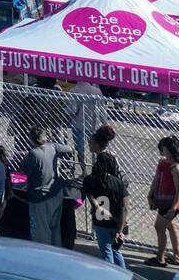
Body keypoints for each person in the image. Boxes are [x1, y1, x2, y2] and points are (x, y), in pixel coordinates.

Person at [83, 125, 129, 267]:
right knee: (115, 250)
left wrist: (95, 205)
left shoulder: (98, 173)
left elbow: (89, 187)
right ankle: (123, 274)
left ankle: (109, 274)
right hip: (116, 216)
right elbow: (125, 206)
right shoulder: (118, 183)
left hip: (103, 216)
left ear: (97, 144)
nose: (89, 145)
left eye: (90, 143)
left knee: (106, 251)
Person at [19, 127, 73, 246]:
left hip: (40, 197)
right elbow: (69, 149)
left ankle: (43, 257)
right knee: (54, 228)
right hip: (55, 194)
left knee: (41, 231)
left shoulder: (33, 154)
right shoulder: (53, 147)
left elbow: (22, 170)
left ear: (31, 139)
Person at [147, 135, 179, 267]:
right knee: (171, 226)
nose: (162, 152)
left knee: (159, 227)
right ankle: (177, 256)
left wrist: (173, 208)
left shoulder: (176, 168)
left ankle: (160, 258)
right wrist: (151, 193)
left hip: (170, 204)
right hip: (162, 200)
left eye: (163, 149)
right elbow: (156, 178)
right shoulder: (163, 163)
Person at [69, 80, 106, 161]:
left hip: (78, 125)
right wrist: (104, 123)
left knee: (80, 149)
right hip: (93, 124)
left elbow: (73, 111)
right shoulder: (97, 91)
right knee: (96, 148)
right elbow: (102, 110)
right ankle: (95, 167)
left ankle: (84, 170)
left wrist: (66, 111)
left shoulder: (74, 90)